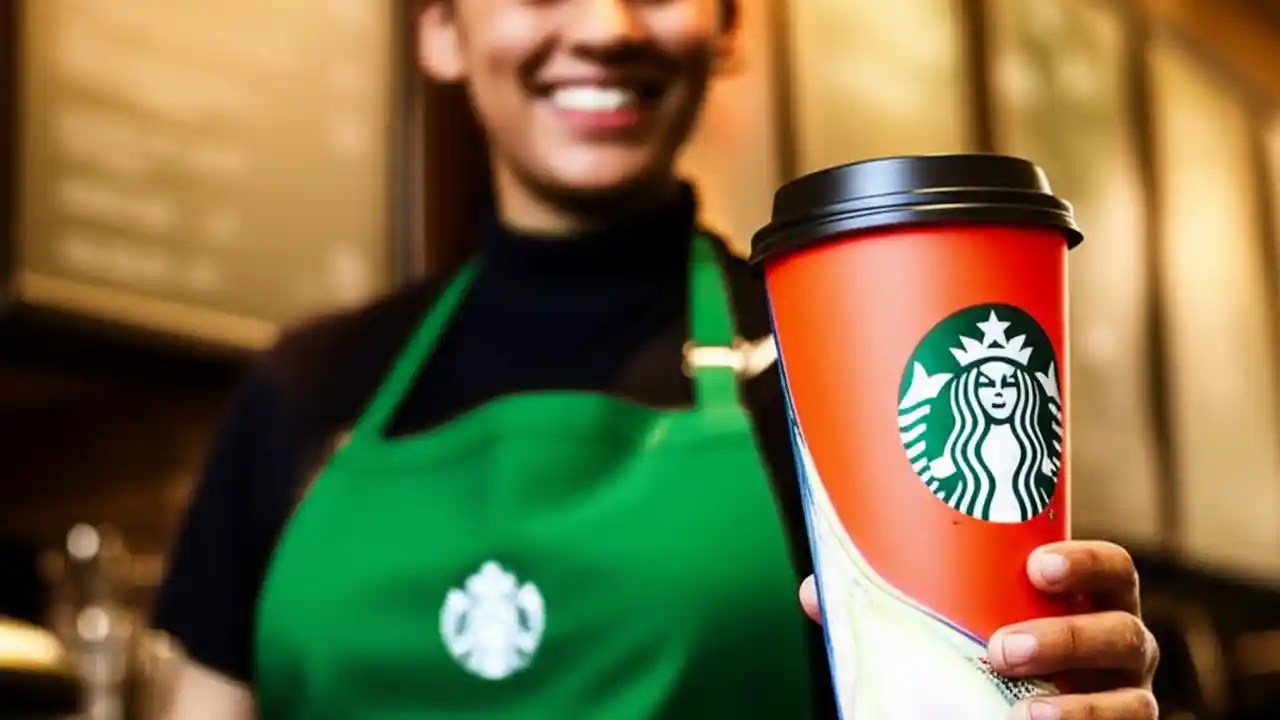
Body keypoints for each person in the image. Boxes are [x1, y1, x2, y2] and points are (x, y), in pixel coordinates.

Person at [154, 1, 1160, 718]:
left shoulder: (838, 364)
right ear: (439, 29)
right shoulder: (302, 389)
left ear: (727, 25)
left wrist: (1049, 686)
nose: (606, 26)